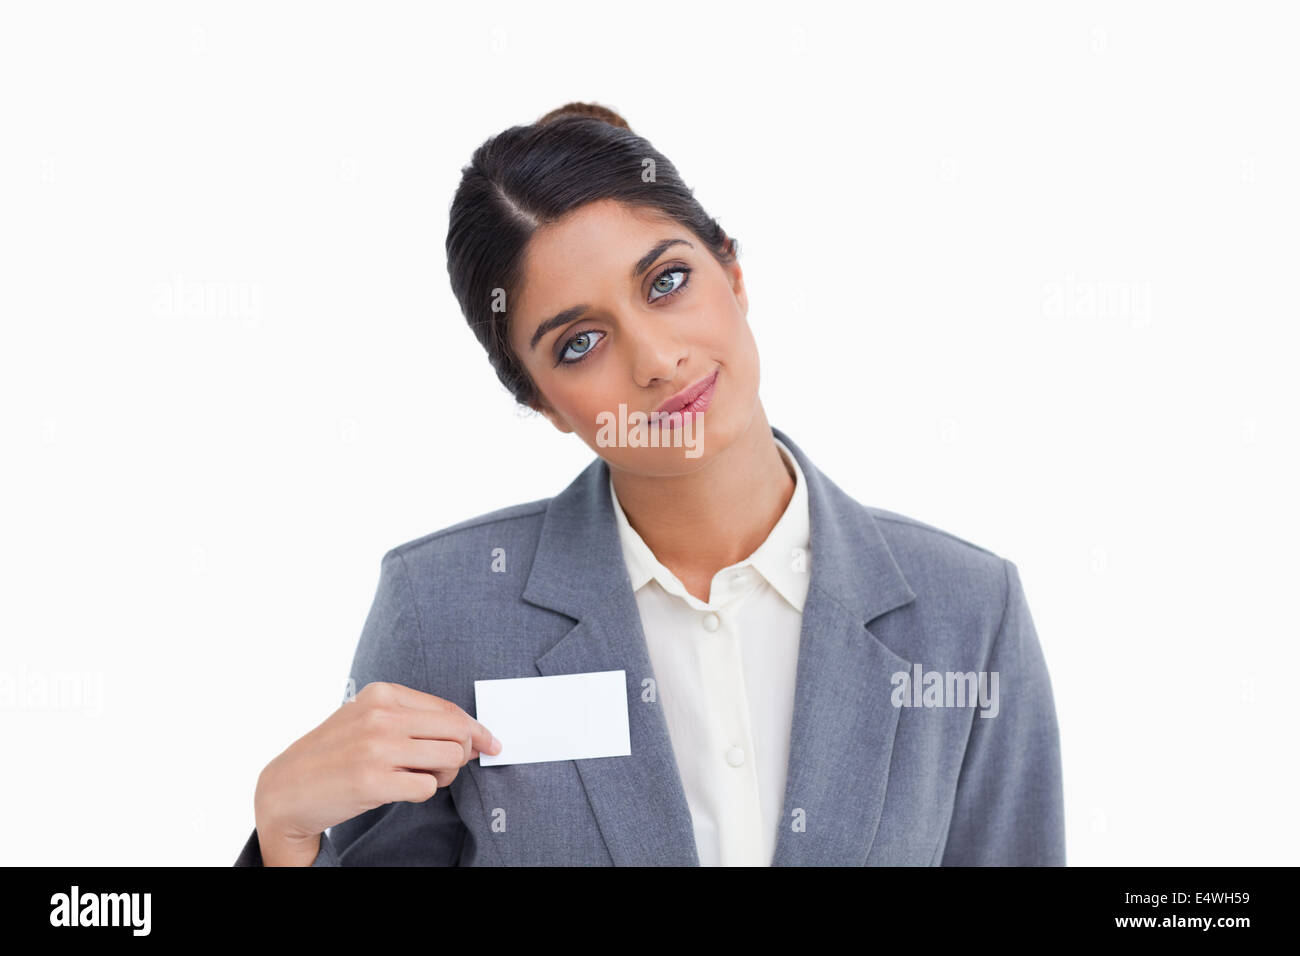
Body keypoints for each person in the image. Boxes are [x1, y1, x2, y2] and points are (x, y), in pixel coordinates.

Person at [235, 101, 1065, 867]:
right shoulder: (441, 610)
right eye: (580, 343)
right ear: (540, 401)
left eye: (667, 282)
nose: (658, 361)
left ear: (733, 273)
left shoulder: (969, 612)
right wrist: (283, 833)